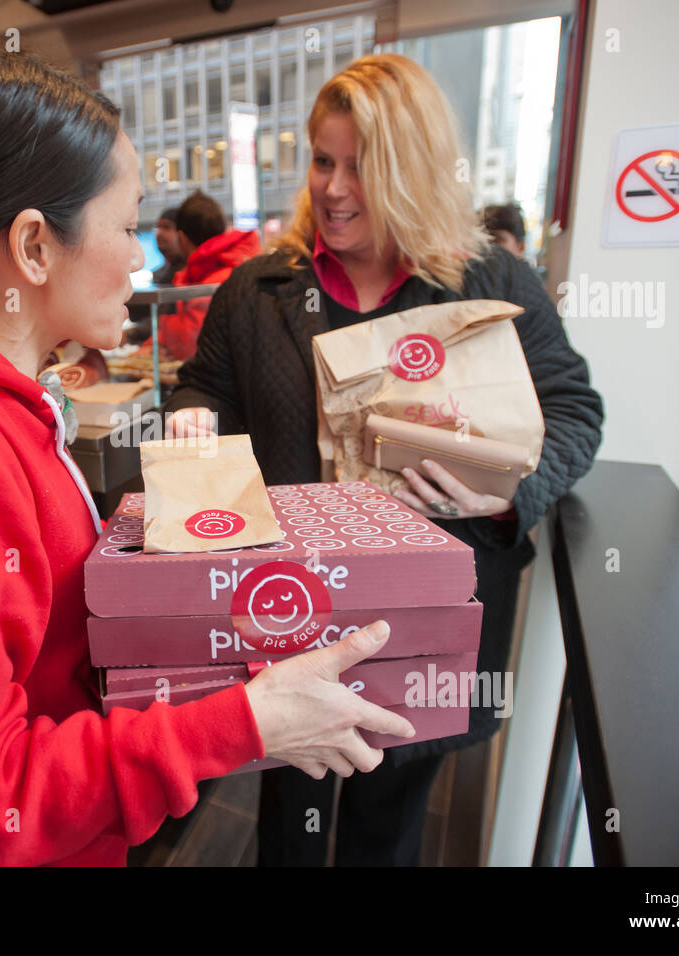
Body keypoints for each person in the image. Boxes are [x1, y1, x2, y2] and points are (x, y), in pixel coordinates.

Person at [0, 42, 419, 867]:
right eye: (128, 225)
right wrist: (239, 725)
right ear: (34, 248)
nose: (140, 257)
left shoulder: (7, 408)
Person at [166, 53, 604, 866]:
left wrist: (507, 498)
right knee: (289, 815)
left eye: (361, 168)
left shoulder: (491, 281)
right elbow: (203, 388)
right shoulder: (257, 288)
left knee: (388, 824)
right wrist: (193, 420)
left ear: (415, 171)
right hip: (291, 610)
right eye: (323, 161)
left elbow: (575, 411)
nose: (332, 188)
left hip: (430, 612)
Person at [158, 191, 262, 361]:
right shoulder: (237, 264)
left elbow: (188, 345)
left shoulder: (211, 283)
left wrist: (162, 328)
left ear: (182, 238)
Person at [152, 206, 186, 286]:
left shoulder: (190, 274)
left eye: (166, 227)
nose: (159, 233)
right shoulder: (158, 275)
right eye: (158, 227)